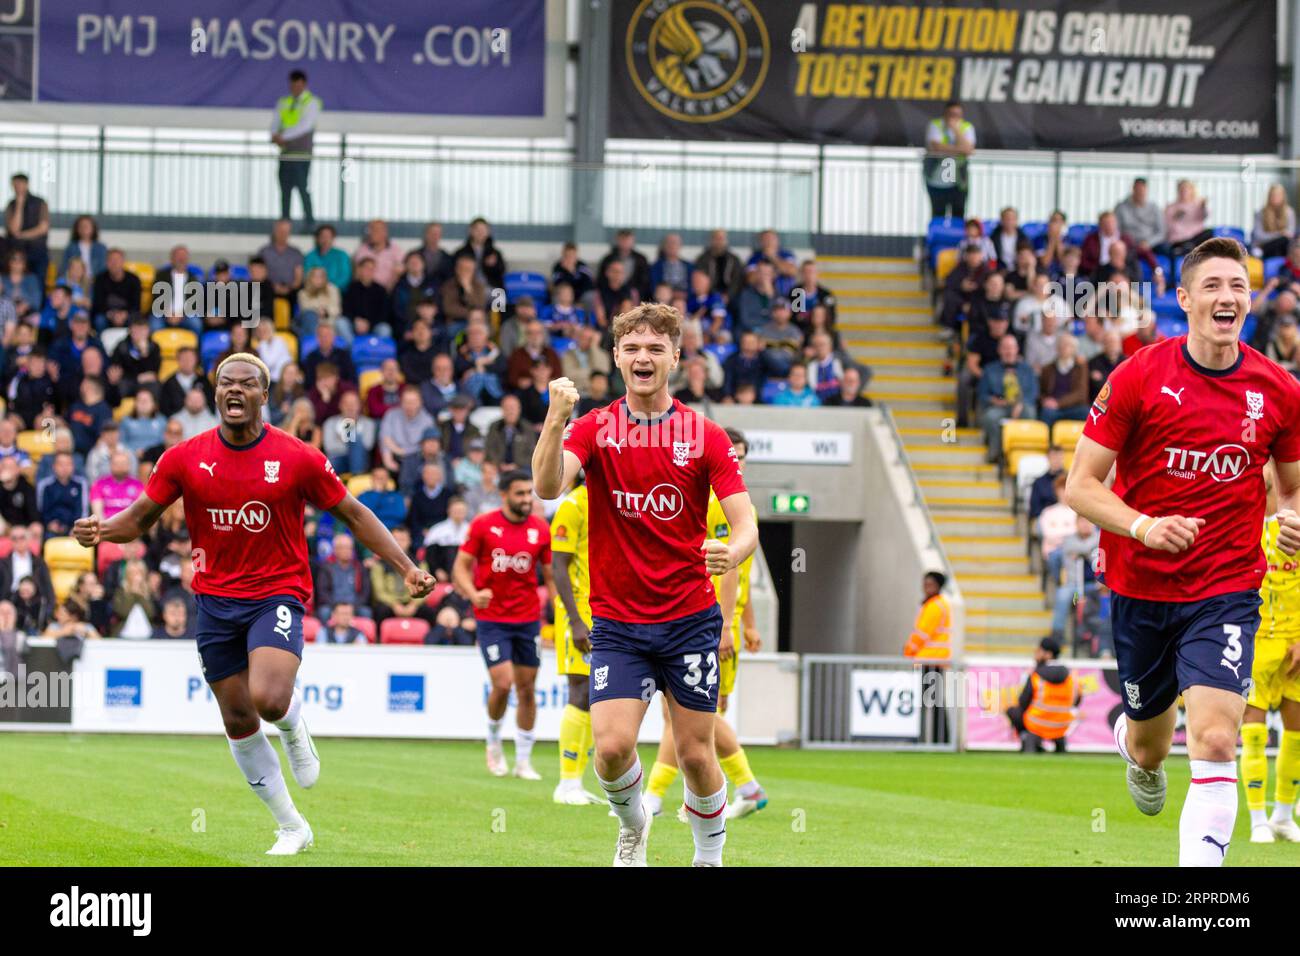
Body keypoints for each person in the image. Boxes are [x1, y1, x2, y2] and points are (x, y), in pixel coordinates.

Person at [72, 351, 434, 856]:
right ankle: (291, 826)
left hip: (275, 592)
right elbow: (139, 519)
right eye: (226, 382)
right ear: (215, 392)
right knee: (239, 720)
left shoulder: (298, 457)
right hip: (215, 600)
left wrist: (406, 567)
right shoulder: (183, 457)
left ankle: (291, 722)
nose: (234, 390)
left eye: (246, 383)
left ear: (265, 395)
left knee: (268, 698)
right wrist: (102, 530)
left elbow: (353, 514)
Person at [1065, 237, 1300, 867]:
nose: (1228, 296)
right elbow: (1080, 485)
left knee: (1218, 739)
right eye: (1213, 285)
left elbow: (1291, 489)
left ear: (1249, 300)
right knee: (1151, 746)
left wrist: (1291, 518)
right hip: (1140, 585)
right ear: (1184, 299)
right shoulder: (1139, 375)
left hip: (1227, 589)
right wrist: (1144, 527)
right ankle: (1135, 745)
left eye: (1238, 286)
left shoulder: (1279, 390)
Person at [533, 301, 757, 867]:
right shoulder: (594, 428)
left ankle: (708, 856)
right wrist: (555, 418)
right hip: (619, 622)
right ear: (616, 356)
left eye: (656, 348)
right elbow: (547, 487)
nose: (643, 357)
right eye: (632, 347)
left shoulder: (704, 436)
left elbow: (746, 523)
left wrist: (731, 551)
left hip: (689, 620)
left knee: (696, 756)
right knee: (610, 750)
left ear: (675, 358)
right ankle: (634, 825)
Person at [644, 428, 766, 821]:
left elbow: (731, 570)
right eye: (734, 456)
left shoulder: (722, 505)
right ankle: (729, 791)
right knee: (691, 714)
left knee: (692, 713)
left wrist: (730, 625)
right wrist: (744, 623)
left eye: (742, 457)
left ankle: (658, 796)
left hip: (707, 623)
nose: (738, 463)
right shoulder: (725, 503)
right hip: (702, 620)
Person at [453, 469, 554, 781]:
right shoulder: (483, 525)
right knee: (502, 683)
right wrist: (473, 594)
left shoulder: (540, 529)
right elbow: (460, 568)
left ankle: (523, 761)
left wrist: (559, 611)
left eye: (529, 493)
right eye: (520, 493)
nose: (526, 499)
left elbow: (551, 577)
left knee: (527, 689)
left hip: (527, 619)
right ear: (504, 495)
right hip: (492, 619)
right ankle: (494, 740)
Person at [1239, 461, 1300, 843]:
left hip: (1295, 639)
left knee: (1296, 733)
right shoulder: (1241, 529)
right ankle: (1257, 817)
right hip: (1256, 640)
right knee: (1254, 733)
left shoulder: (1293, 526)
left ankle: (1283, 814)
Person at [548, 473, 603, 806]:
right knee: (580, 689)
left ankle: (578, 782)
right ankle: (566, 782)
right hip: (580, 611)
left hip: (608, 609)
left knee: (599, 696)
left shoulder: (609, 502)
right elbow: (558, 566)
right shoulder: (572, 505)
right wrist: (576, 621)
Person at [1004, 638, 1081, 753]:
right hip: (1062, 725)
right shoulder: (1070, 676)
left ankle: (1026, 739)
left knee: (1013, 711)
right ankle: (1056, 745)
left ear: (1048, 654)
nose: (1035, 654)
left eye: (1039, 651)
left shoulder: (1036, 676)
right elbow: (1077, 701)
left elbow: (1023, 702)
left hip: (1036, 724)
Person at [977, 335, 1038, 461]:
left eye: (1011, 347)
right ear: (999, 350)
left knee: (1029, 413)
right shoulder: (989, 369)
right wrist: (994, 400)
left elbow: (1033, 393)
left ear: (1017, 349)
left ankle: (1022, 452)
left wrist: (1020, 404)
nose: (1009, 351)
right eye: (1005, 348)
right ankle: (995, 452)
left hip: (1022, 406)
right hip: (999, 407)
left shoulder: (1027, 369)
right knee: (990, 417)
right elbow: (982, 394)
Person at [271, 69, 320, 225]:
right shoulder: (284, 102)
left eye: (298, 85)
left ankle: (309, 222)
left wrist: (283, 137)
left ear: (304, 84)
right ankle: (285, 221)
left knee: (302, 187)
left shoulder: (311, 102)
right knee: (285, 189)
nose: (295, 88)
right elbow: (276, 122)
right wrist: (274, 135)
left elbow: (305, 126)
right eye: (293, 85)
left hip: (301, 153)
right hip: (285, 152)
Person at [922, 101, 974, 219]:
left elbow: (968, 150)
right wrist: (960, 149)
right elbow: (936, 148)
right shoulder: (936, 125)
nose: (954, 117)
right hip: (936, 179)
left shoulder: (966, 127)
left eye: (957, 114)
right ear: (945, 114)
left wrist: (955, 130)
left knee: (958, 214)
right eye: (951, 114)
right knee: (938, 214)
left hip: (958, 181)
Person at [5, 173, 50, 299]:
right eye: (15, 185)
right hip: (17, 253)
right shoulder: (11, 204)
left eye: (20, 184)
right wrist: (19, 204)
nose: (17, 187)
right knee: (15, 286)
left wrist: (22, 235)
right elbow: (14, 229)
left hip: (37, 251)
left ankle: (37, 309)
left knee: (39, 283)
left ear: (27, 184)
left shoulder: (40, 202)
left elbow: (43, 228)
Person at [1159, 179, 1215, 260]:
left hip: (1195, 239)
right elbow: (1166, 227)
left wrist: (1203, 206)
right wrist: (1175, 217)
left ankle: (1188, 247)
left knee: (1210, 232)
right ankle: (1186, 247)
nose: (1184, 192)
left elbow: (1205, 215)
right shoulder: (1171, 207)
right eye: (1182, 189)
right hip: (1179, 239)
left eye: (1186, 189)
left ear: (1191, 190)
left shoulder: (1198, 204)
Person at [903, 571, 951, 659]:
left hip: (928, 658)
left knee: (919, 667)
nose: (926, 588)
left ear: (938, 586)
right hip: (936, 657)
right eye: (925, 584)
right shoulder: (940, 604)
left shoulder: (934, 606)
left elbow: (921, 634)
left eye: (930, 585)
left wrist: (908, 651)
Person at [1114, 178, 1164, 258]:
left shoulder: (1154, 208)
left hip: (1151, 244)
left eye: (1142, 190)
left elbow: (1161, 232)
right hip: (1129, 244)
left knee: (1169, 250)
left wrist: (1148, 243)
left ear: (1146, 190)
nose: (1140, 192)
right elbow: (1116, 230)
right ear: (1133, 189)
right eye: (1138, 189)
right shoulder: (1121, 207)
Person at [1252, 184, 1296, 260]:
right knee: (1282, 240)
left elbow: (1290, 234)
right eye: (1273, 195)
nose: (1276, 198)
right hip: (1265, 246)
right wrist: (1280, 234)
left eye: (1278, 195)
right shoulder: (1261, 213)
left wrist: (1281, 235)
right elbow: (1259, 236)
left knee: (1286, 242)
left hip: (1283, 247)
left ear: (1283, 197)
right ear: (1269, 196)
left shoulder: (1289, 212)